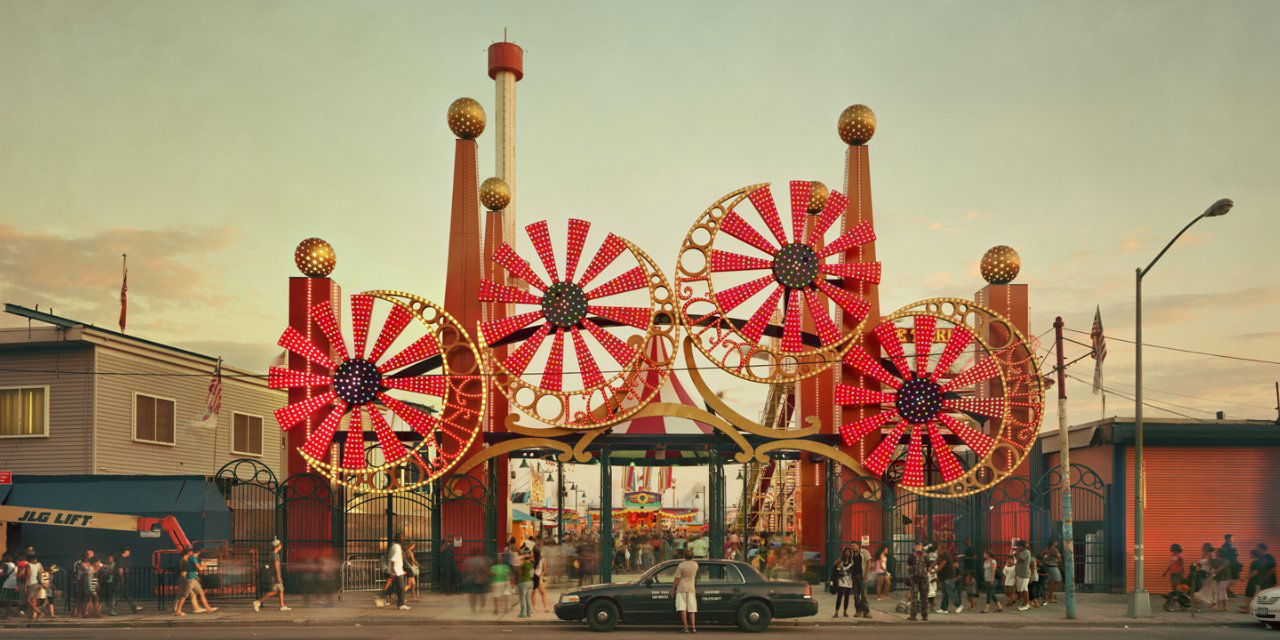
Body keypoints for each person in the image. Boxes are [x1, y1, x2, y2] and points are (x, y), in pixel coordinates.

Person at [174, 548, 216, 616]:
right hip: (190, 579)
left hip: (194, 578)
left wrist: (196, 576)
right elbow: (200, 569)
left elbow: (193, 568)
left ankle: (208, 608)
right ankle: (178, 611)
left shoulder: (191, 558)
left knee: (201, 593)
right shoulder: (193, 558)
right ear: (198, 552)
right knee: (185, 595)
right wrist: (205, 564)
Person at [253, 538, 290, 612]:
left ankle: (282, 606)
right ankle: (258, 602)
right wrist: (278, 576)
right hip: (275, 576)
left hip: (273, 575)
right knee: (274, 591)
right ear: (277, 546)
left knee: (281, 590)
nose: (281, 546)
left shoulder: (271, 554)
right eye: (280, 545)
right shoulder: (275, 555)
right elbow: (276, 566)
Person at [375, 534, 409, 610]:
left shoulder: (395, 546)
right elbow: (393, 560)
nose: (403, 539)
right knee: (401, 588)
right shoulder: (396, 547)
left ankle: (381, 596)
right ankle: (400, 604)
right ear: (397, 539)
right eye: (402, 537)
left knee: (395, 588)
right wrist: (393, 572)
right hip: (396, 571)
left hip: (397, 570)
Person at [1240, 543, 1277, 612]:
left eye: (1258, 549)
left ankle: (1269, 610)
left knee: (1267, 596)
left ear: (1262, 549)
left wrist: (1265, 576)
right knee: (1261, 596)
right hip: (1262, 581)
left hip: (1270, 581)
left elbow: (1273, 569)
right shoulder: (1259, 559)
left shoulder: (1269, 557)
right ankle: (1258, 609)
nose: (1257, 550)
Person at [671, 549, 699, 633]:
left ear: (684, 556)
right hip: (691, 588)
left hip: (681, 588)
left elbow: (677, 578)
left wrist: (673, 589)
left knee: (682, 608)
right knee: (692, 608)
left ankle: (686, 627)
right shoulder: (695, 565)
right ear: (692, 556)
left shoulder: (681, 565)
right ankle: (693, 627)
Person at [905, 542, 930, 621]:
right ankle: (925, 615)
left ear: (915, 547)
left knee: (914, 598)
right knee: (924, 598)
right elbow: (928, 568)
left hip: (914, 579)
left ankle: (913, 616)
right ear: (921, 546)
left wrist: (910, 576)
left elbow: (908, 567)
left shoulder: (912, 556)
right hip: (924, 579)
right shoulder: (926, 556)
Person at [832, 547, 853, 618]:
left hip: (849, 581)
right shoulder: (840, 561)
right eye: (846, 551)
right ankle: (836, 612)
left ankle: (845, 612)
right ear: (844, 553)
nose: (847, 553)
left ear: (850, 553)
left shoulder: (851, 561)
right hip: (841, 581)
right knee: (839, 596)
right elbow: (836, 570)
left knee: (847, 597)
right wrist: (838, 567)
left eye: (849, 552)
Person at [1194, 543, 1217, 608]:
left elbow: (1213, 565)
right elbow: (1201, 563)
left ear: (1207, 547)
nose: (1202, 547)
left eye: (1203, 546)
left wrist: (1210, 572)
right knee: (1204, 587)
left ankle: (1214, 602)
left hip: (1209, 573)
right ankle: (1202, 599)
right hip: (1202, 572)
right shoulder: (1203, 554)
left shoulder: (1210, 554)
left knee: (1212, 588)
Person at [1014, 540, 1032, 611]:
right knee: (1021, 589)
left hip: (1024, 574)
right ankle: (1024, 602)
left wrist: (1017, 553)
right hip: (1020, 574)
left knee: (1024, 589)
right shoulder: (1022, 552)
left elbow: (1020, 560)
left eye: (1018, 546)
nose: (1018, 547)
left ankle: (1026, 604)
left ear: (1022, 546)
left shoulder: (1026, 552)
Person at [532, 544, 551, 613]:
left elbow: (544, 570)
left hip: (538, 577)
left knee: (542, 592)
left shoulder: (542, 560)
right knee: (533, 593)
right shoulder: (532, 559)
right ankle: (534, 607)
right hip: (534, 577)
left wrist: (540, 576)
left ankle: (546, 607)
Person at [515, 552, 534, 618]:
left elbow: (516, 559)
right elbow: (532, 575)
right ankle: (529, 614)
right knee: (528, 598)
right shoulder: (531, 564)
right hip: (530, 582)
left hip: (523, 582)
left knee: (522, 598)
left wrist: (523, 556)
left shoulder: (523, 564)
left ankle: (523, 614)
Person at [0, 552, 17, 616]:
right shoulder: (15, 565)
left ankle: (9, 611)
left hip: (7, 583)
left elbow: (4, 574)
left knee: (3, 598)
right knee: (9, 599)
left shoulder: (5, 565)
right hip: (14, 583)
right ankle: (8, 611)